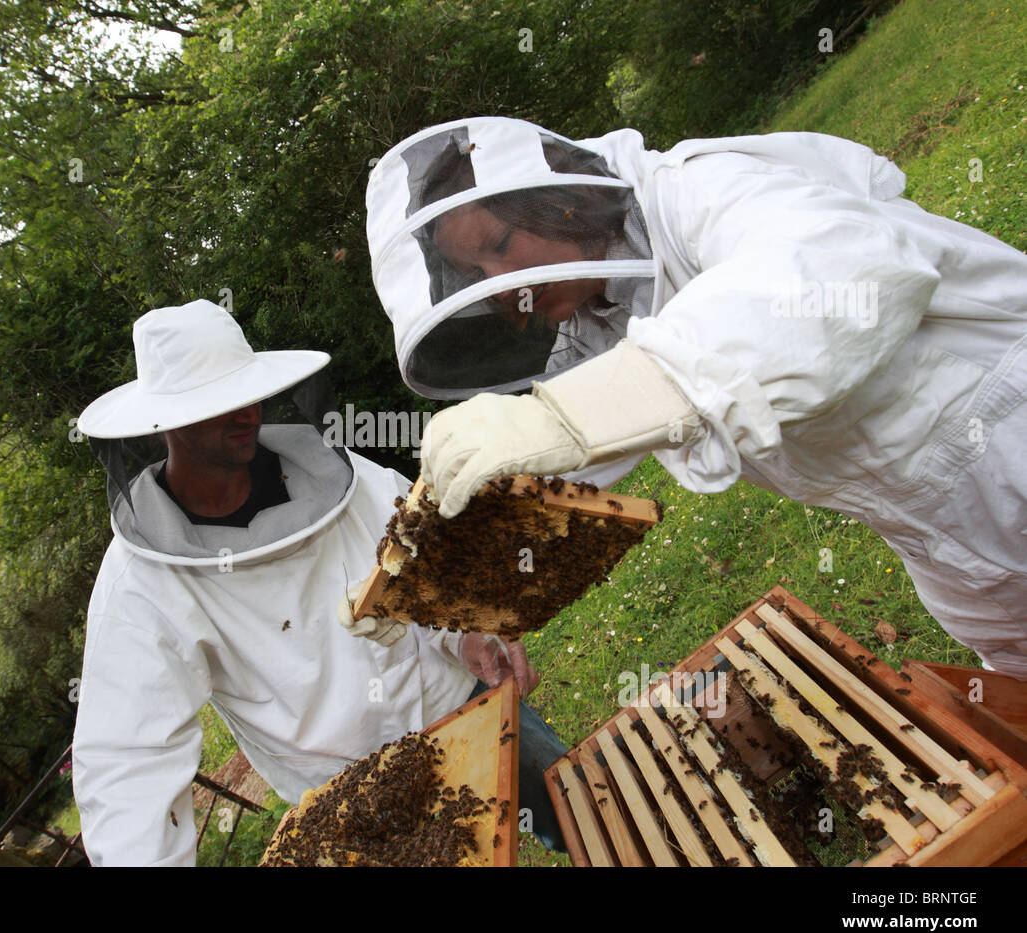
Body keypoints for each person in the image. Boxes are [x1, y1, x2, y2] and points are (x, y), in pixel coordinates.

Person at [365, 116, 1027, 679]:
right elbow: (561, 463)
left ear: (555, 198)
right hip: (930, 533)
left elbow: (837, 268)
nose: (503, 284)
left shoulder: (691, 189)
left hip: (1006, 429)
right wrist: (425, 589)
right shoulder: (596, 318)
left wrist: (585, 411)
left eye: (501, 245)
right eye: (476, 274)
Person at [70, 299, 563, 866]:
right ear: (167, 426)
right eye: (219, 404)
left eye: (247, 393)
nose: (247, 414)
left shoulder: (339, 477)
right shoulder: (142, 588)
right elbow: (130, 767)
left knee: (575, 803)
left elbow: (430, 567)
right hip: (360, 796)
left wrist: (467, 636)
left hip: (467, 703)